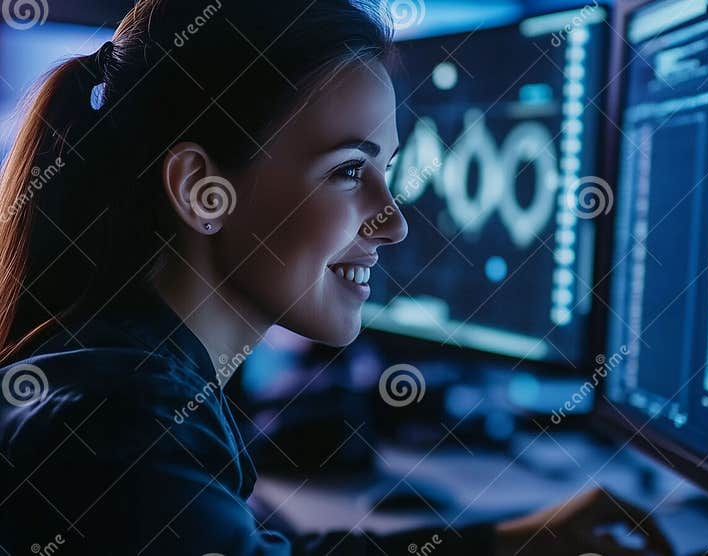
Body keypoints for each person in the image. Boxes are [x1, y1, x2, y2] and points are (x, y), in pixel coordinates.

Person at [0, 1, 673, 554]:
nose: (394, 223)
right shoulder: (125, 431)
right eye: (350, 169)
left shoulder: (133, 381)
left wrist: (511, 541)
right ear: (201, 191)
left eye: (388, 168)